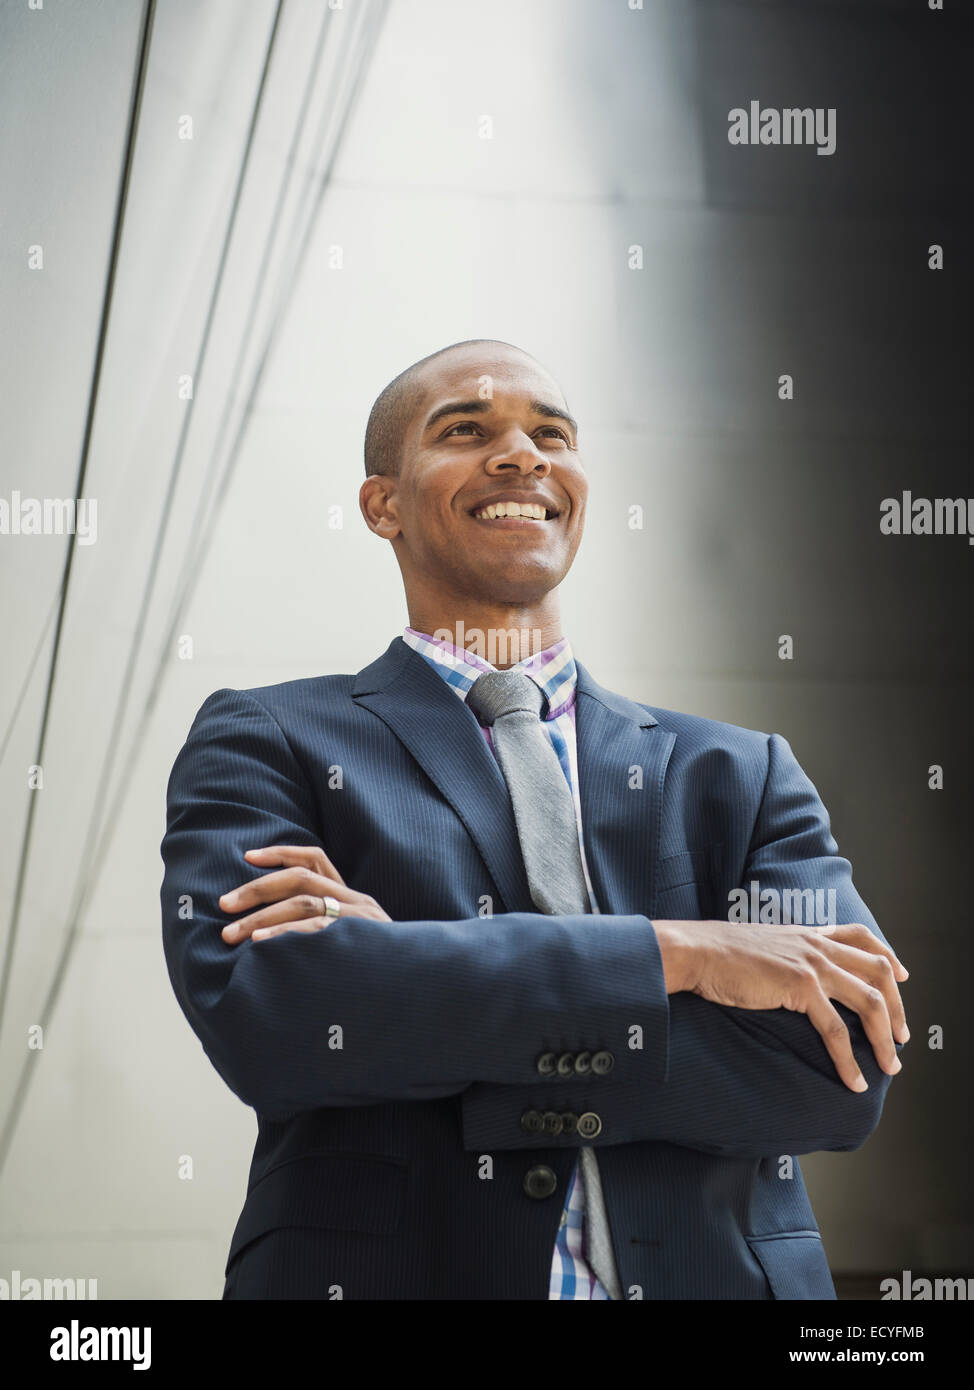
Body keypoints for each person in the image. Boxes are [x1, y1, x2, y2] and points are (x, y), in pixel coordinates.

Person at [160, 338, 908, 1301]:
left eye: (551, 433)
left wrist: (417, 980)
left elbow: (839, 1069)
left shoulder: (742, 774)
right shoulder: (269, 736)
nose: (523, 455)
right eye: (466, 431)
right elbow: (281, 1018)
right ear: (382, 501)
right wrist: (681, 957)